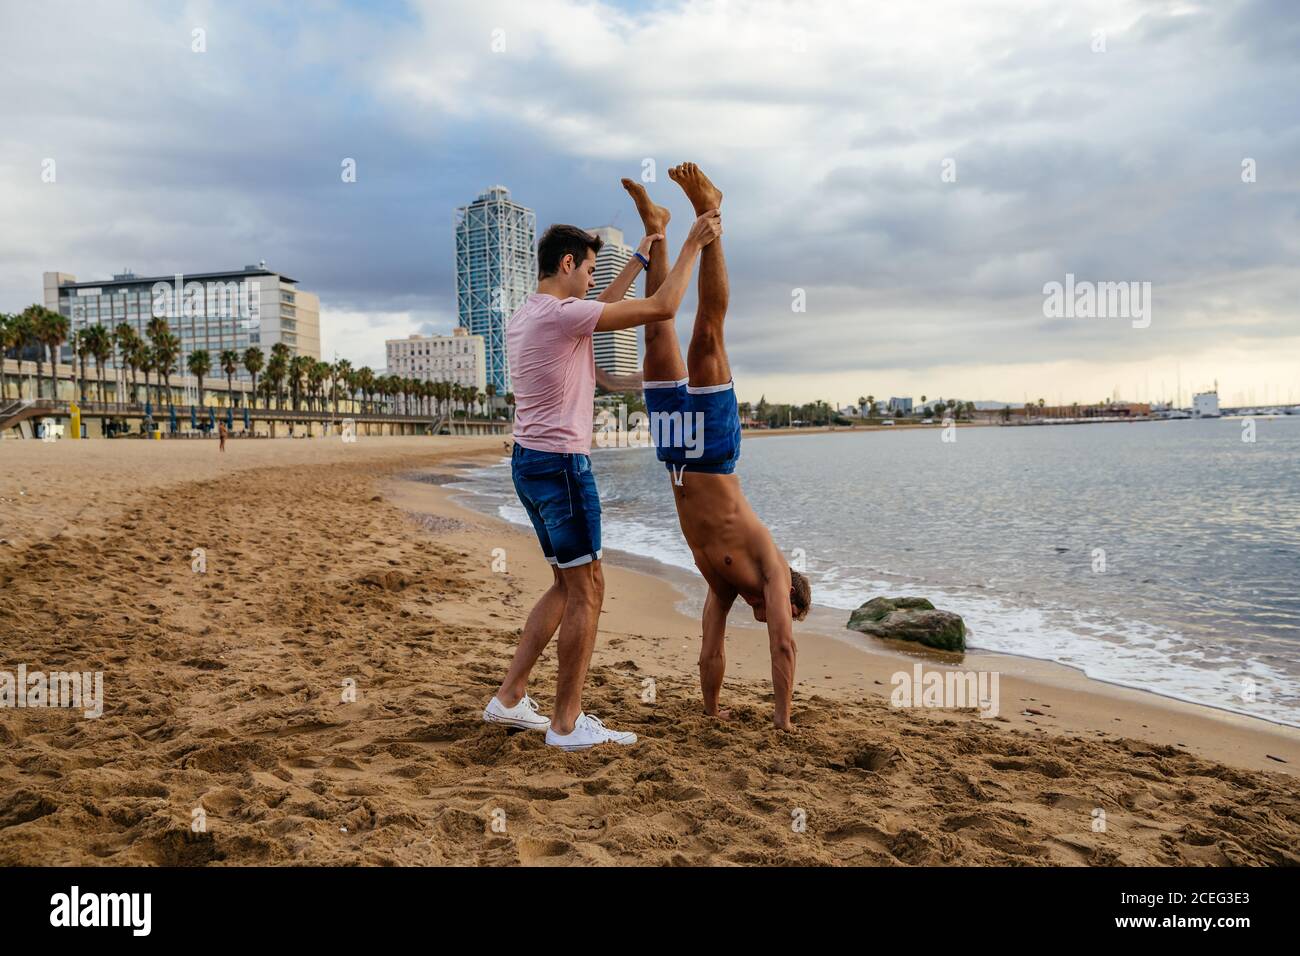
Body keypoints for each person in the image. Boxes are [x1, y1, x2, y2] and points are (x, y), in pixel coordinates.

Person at [482, 193, 722, 751]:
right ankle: (566, 725)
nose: (592, 281)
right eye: (589, 269)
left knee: (568, 586)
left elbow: (604, 308)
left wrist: (642, 249)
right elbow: (661, 308)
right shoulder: (563, 316)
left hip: (530, 462)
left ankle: (510, 697)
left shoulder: (531, 315)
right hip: (563, 466)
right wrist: (692, 242)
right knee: (588, 587)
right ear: (568, 264)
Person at [637, 163, 811, 729]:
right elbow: (783, 650)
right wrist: (783, 721)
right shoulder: (772, 572)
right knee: (707, 331)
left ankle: (657, 228)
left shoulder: (721, 583)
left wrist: (712, 713)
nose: (766, 618)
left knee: (658, 332)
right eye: (776, 613)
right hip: (712, 449)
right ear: (787, 600)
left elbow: (710, 650)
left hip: (673, 451)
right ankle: (711, 213)